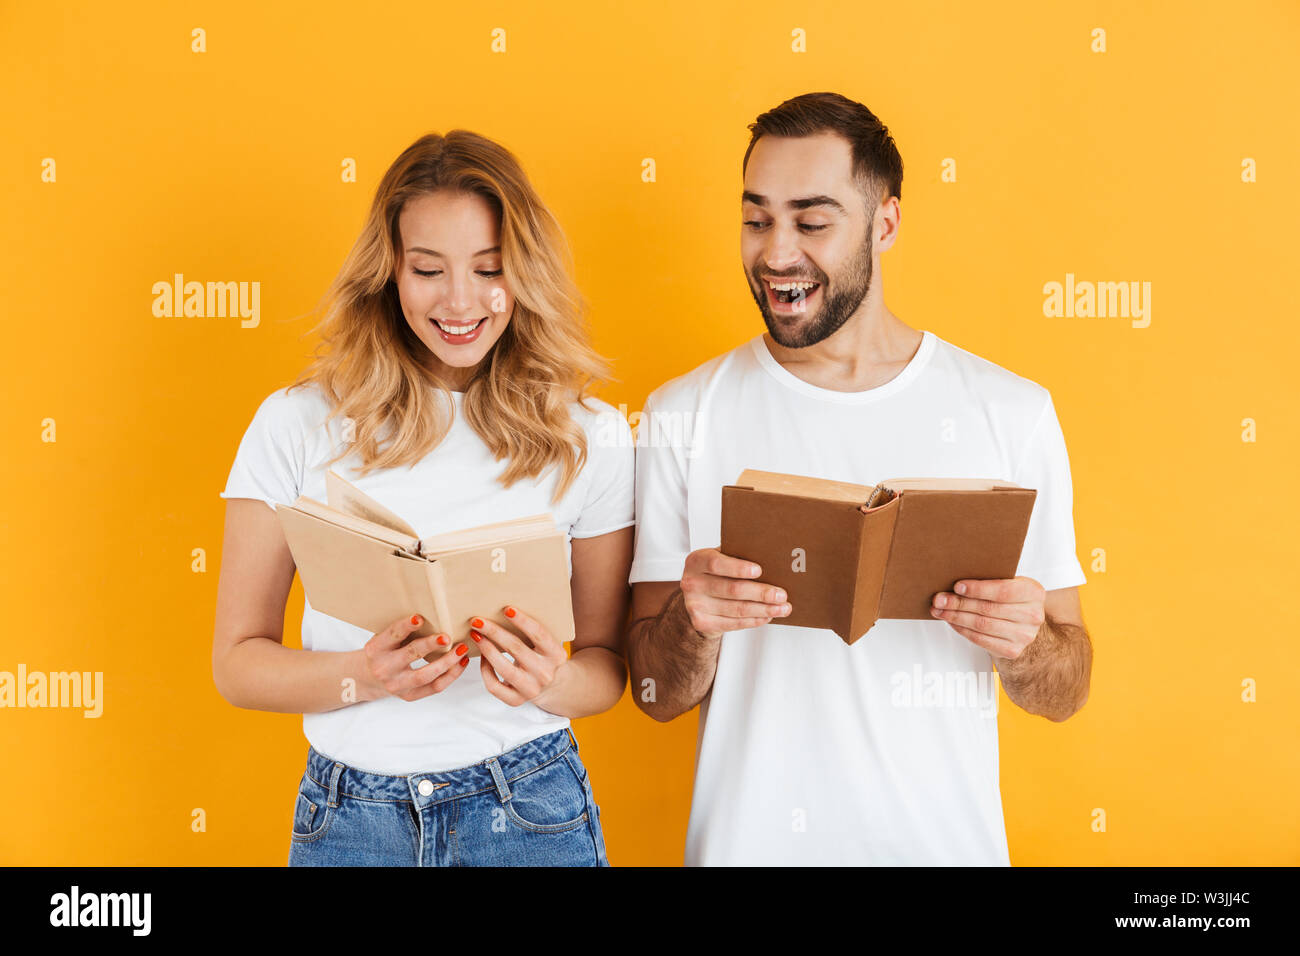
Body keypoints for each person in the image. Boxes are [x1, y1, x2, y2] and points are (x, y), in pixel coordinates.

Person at [626, 92, 1093, 866]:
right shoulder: (682, 413)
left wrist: (1027, 644)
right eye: (755, 219)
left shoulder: (1011, 412)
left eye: (812, 221)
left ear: (885, 223)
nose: (776, 253)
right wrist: (692, 621)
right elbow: (653, 693)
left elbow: (1067, 688)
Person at [213, 129, 633, 866]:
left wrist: (552, 680)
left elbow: (605, 668)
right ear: (390, 274)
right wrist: (365, 677)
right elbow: (237, 664)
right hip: (350, 816)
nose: (461, 301)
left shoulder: (588, 436)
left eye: (489, 268)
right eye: (429, 270)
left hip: (528, 807)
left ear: (524, 273)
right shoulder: (297, 423)